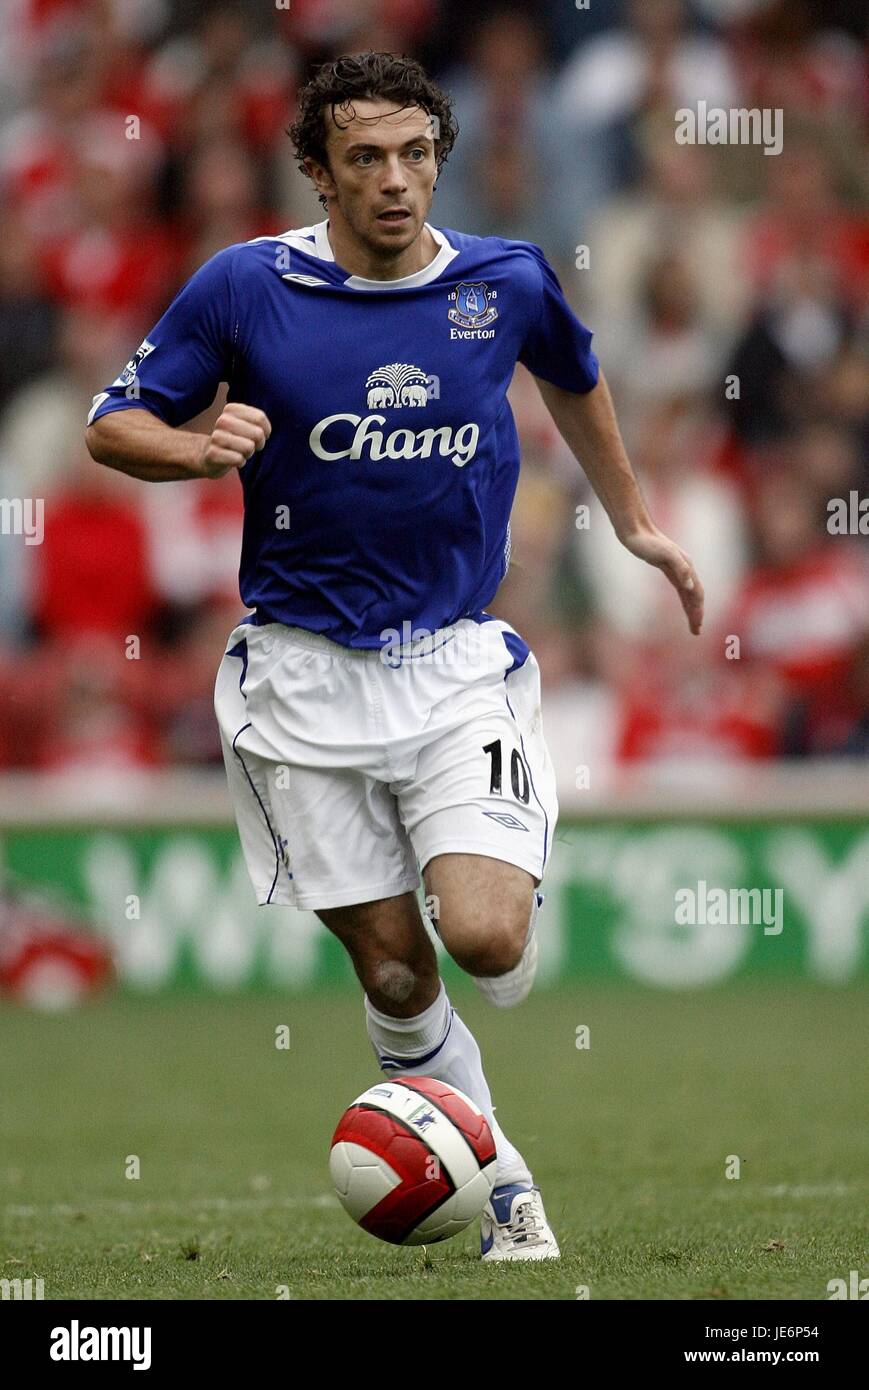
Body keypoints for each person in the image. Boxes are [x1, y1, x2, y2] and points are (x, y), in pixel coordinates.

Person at [85, 51, 704, 1261]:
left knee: (485, 939)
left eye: (415, 154)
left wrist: (630, 519)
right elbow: (114, 424)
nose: (395, 180)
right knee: (400, 975)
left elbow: (574, 374)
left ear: (439, 161)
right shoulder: (243, 289)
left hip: (453, 665)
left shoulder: (502, 279)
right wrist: (198, 446)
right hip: (299, 681)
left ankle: (500, 879)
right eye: (364, 157)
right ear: (316, 171)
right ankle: (506, 1183)